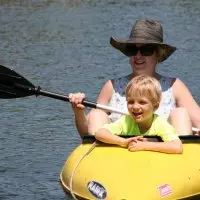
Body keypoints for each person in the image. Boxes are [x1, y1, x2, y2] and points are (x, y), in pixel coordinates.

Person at [69, 19, 200, 137]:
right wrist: (78, 112)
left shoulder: (175, 86)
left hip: (165, 153)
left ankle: (183, 153)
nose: (138, 56)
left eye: (146, 50)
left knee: (180, 114)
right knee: (97, 114)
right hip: (116, 152)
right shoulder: (112, 86)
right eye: (133, 50)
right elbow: (86, 133)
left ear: (158, 55)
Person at [95, 75, 183, 154]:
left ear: (155, 106)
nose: (135, 107)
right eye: (131, 102)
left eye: (142, 102)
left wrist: (145, 146)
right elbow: (100, 133)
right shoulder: (126, 121)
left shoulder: (160, 124)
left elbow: (177, 147)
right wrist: (123, 141)